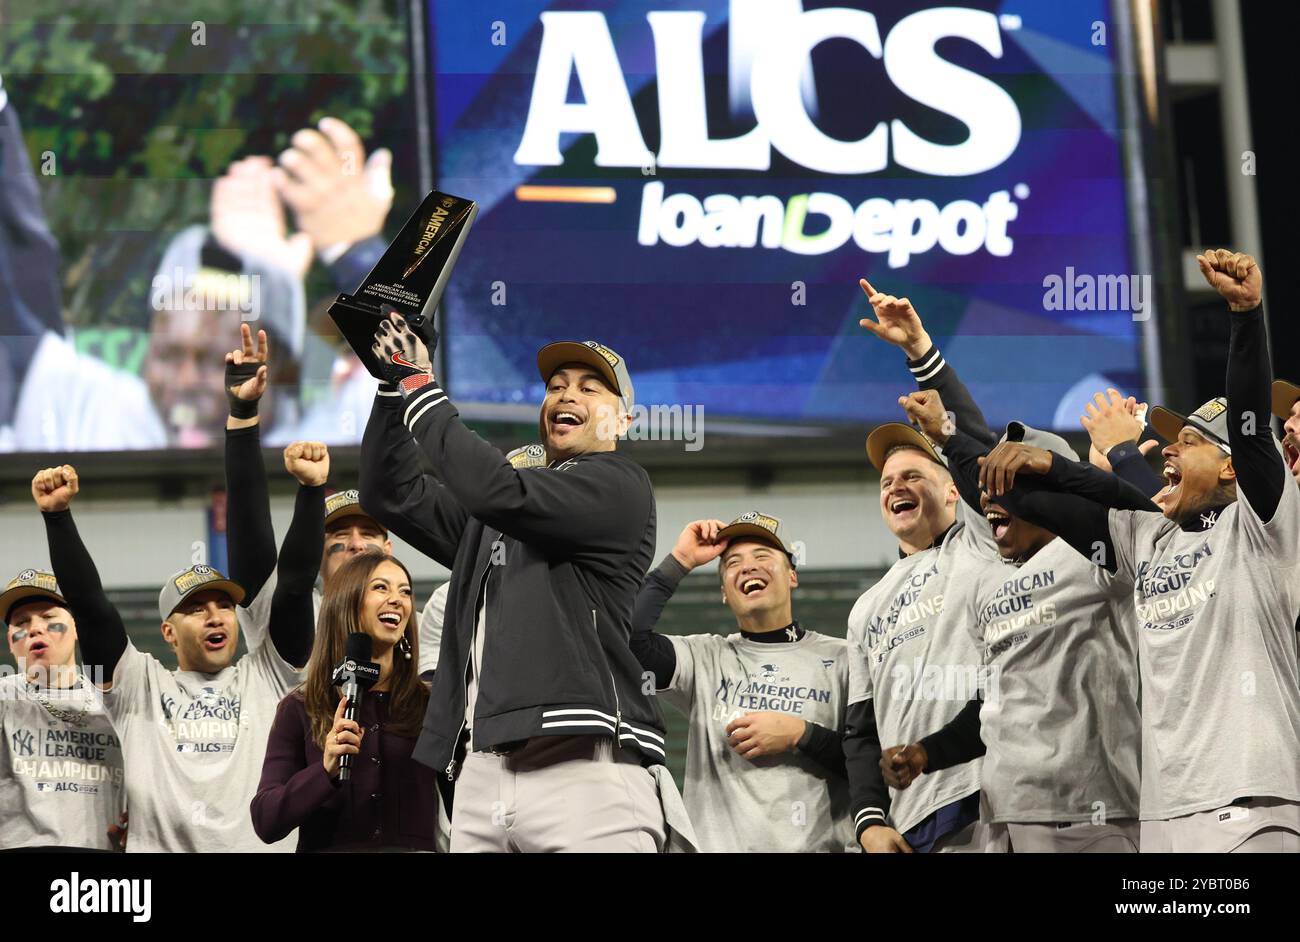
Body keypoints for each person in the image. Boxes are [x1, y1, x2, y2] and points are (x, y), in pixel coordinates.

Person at [976, 250, 1299, 852]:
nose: (1168, 451)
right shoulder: (1148, 540)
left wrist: (1246, 317)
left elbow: (1252, 420)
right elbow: (1053, 495)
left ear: (1232, 465)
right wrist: (1030, 459)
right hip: (1161, 814)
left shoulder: (1264, 528)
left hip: (1250, 801)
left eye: (1189, 442)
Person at [360, 325, 695, 852]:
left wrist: (421, 383)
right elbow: (389, 492)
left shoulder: (618, 484)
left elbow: (495, 489)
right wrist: (390, 385)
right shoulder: (495, 522)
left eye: (590, 388)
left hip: (583, 769)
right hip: (480, 770)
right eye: (557, 385)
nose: (566, 394)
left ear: (623, 420)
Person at [887, 394, 1143, 852]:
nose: (989, 497)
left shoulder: (1101, 555)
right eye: (988, 485)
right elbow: (992, 703)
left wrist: (1117, 457)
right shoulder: (987, 587)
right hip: (1000, 817)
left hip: (1088, 815)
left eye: (1010, 483)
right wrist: (929, 752)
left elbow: (1152, 517)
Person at [35, 447, 323, 852]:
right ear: (168, 632)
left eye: (224, 605)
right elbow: (91, 607)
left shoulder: (269, 674)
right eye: (195, 609)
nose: (215, 616)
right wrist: (58, 517)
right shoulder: (137, 685)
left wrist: (311, 491)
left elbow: (293, 585)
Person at [844, 281, 1000, 853]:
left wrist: (920, 352)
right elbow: (859, 732)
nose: (896, 487)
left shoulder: (984, 540)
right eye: (887, 482)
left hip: (989, 792)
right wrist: (869, 821)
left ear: (955, 493)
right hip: (911, 821)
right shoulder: (867, 608)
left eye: (914, 476)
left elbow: (978, 447)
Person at [630, 514, 854, 852]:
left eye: (763, 556)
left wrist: (800, 734)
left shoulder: (844, 658)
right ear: (724, 592)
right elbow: (627, 637)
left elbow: (870, 762)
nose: (748, 567)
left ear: (792, 575)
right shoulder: (704, 657)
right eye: (733, 563)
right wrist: (681, 561)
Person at [252, 546, 436, 851]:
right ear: (347, 604)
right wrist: (324, 771)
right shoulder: (300, 708)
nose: (397, 599)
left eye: (405, 591)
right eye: (380, 587)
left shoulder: (431, 705)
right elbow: (266, 820)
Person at [224, 323, 393, 644]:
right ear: (316, 553)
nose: (356, 544)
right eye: (340, 535)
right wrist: (243, 413)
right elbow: (249, 528)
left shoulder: (416, 625)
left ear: (388, 549)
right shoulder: (280, 616)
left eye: (368, 533)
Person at [0, 569, 125, 851]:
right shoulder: (4, 698)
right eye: (21, 622)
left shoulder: (115, 699)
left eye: (48, 618)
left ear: (77, 627)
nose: (34, 628)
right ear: (11, 642)